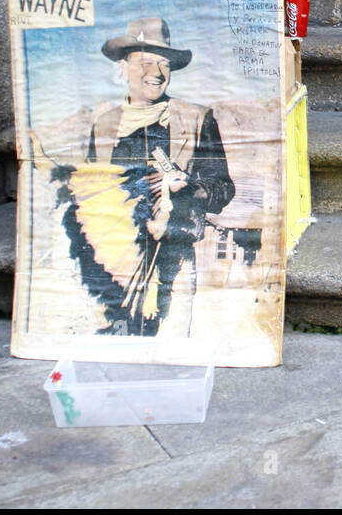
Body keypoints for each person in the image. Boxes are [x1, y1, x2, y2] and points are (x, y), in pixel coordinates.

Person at [61, 17, 235, 336]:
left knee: (169, 341)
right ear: (123, 67)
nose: (155, 73)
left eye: (163, 63)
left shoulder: (196, 119)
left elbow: (223, 189)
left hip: (172, 258)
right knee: (112, 340)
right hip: (111, 257)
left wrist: (190, 186)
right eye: (145, 62)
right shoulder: (104, 124)